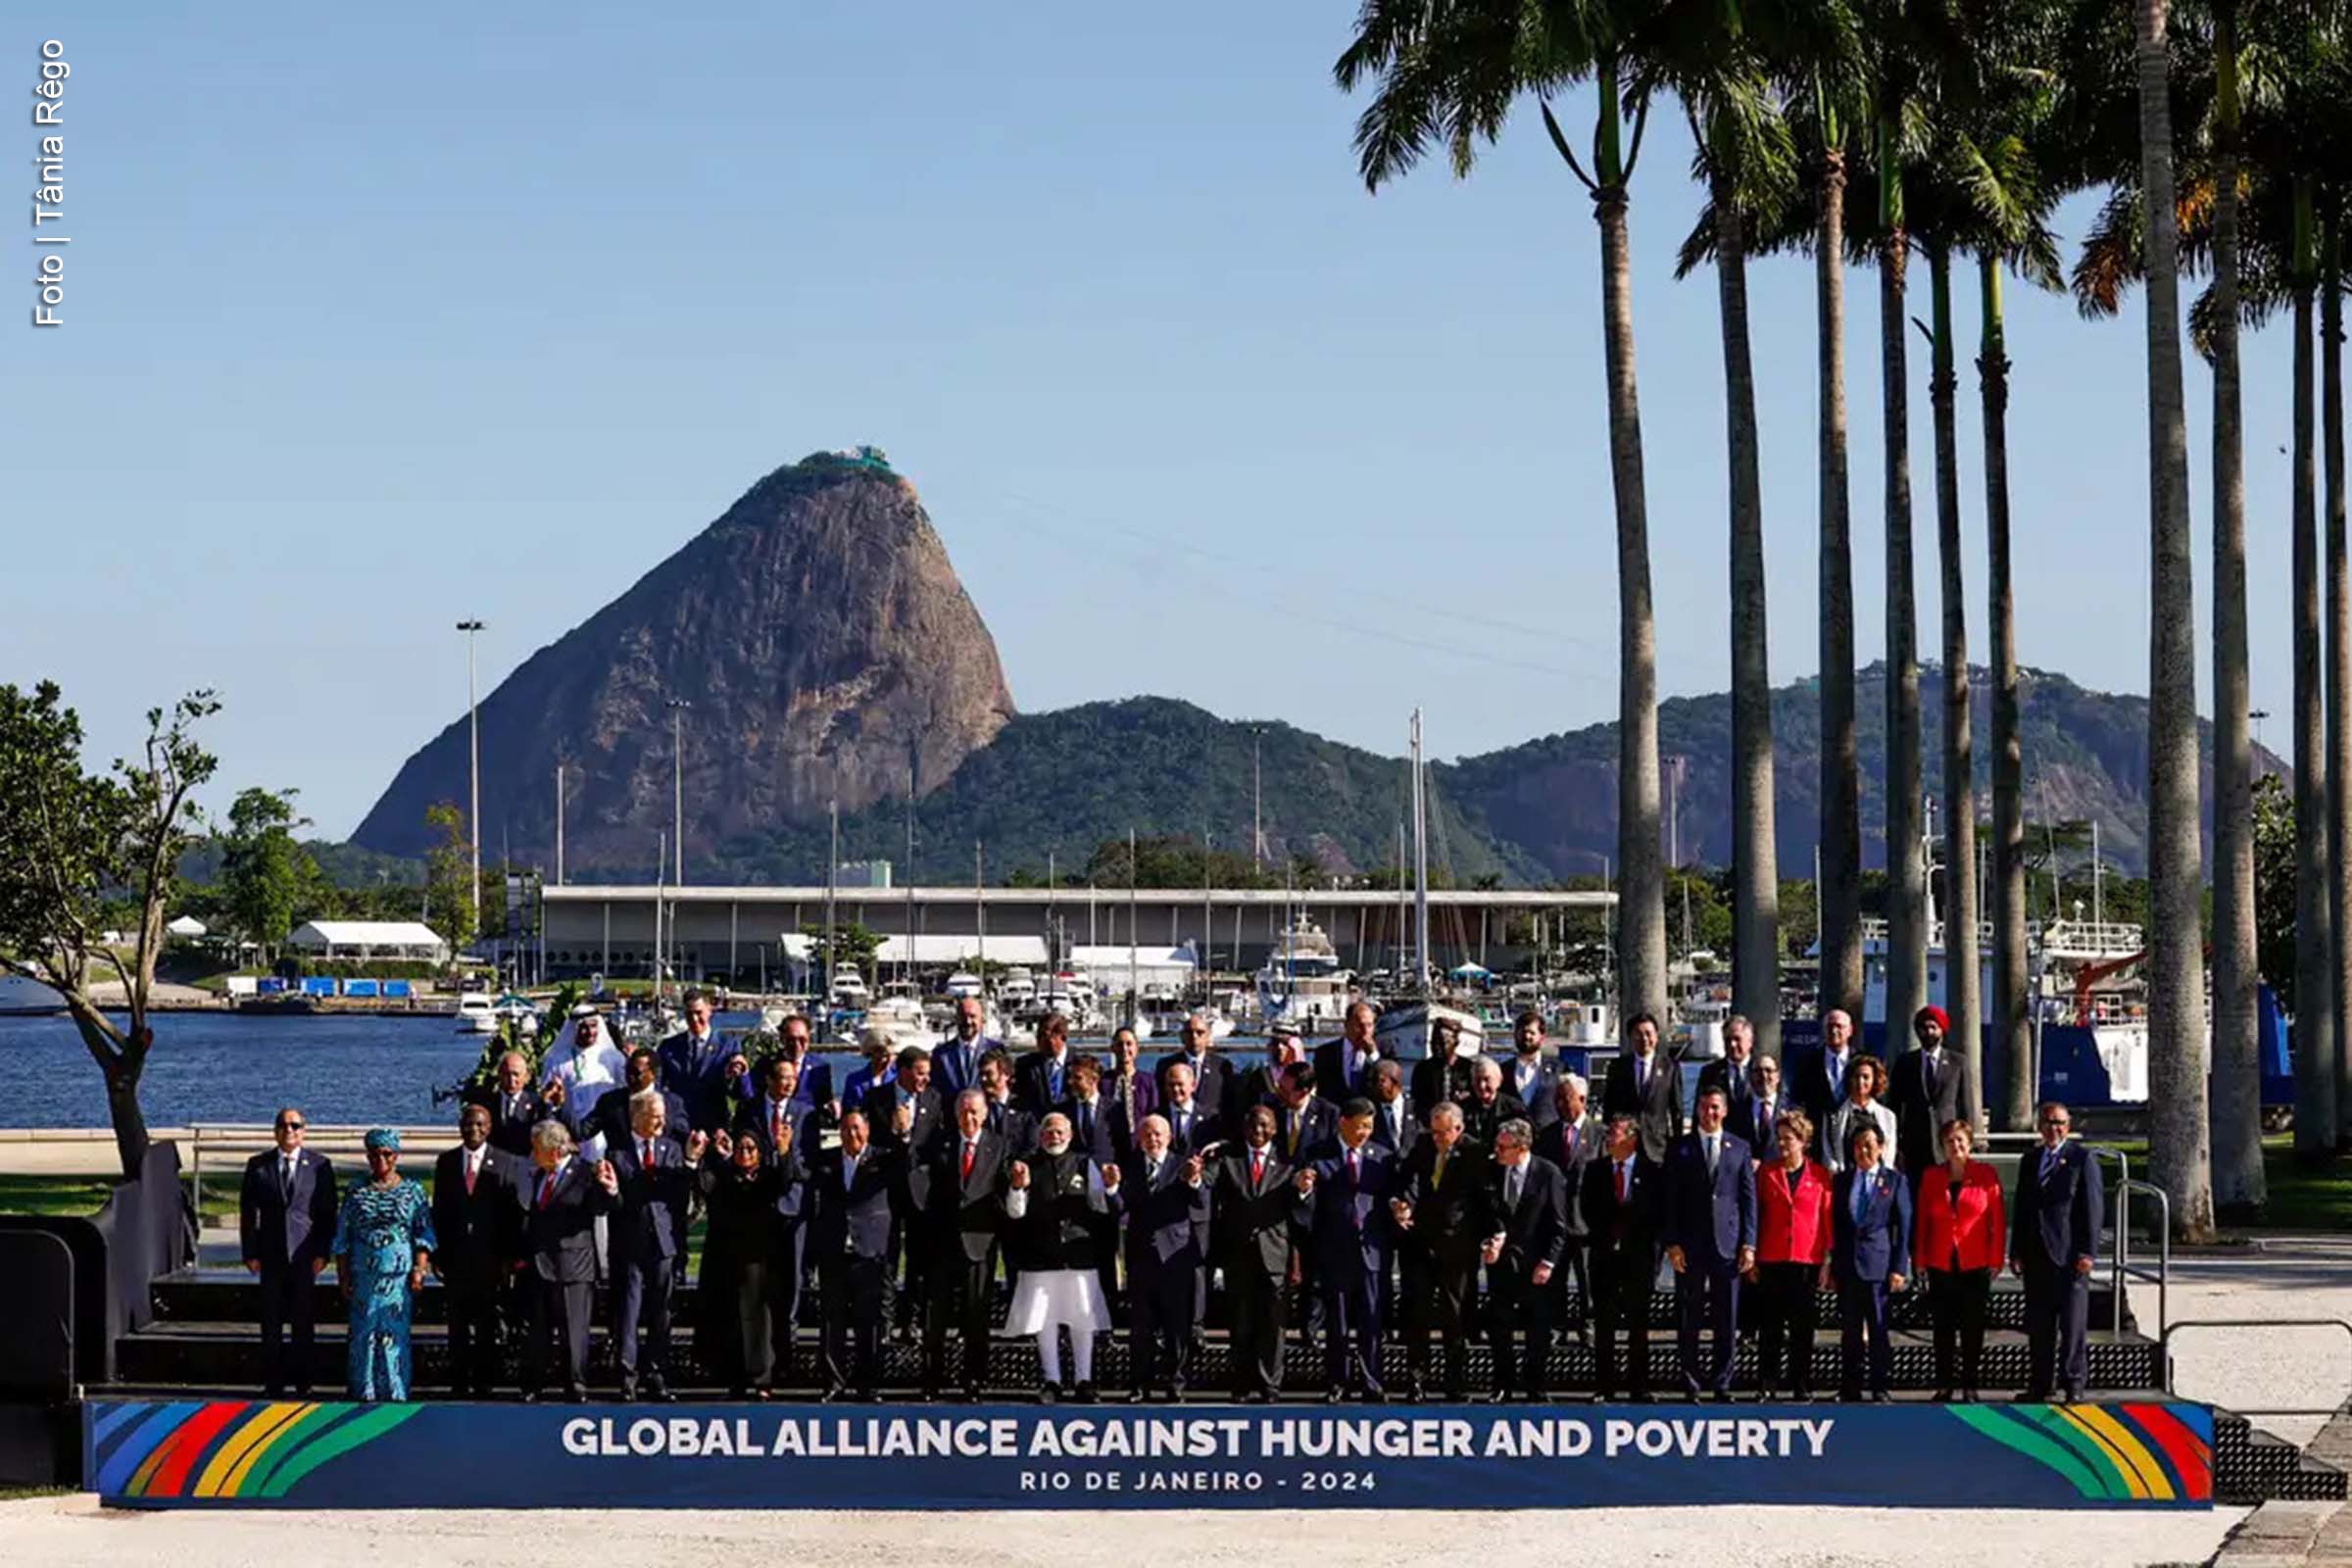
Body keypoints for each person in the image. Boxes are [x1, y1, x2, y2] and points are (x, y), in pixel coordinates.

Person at [1003, 1112, 1114, 1402]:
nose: (1055, 1136)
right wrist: (1017, 1186)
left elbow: (1100, 1205)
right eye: (1049, 1131)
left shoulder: (1084, 1163)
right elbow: (1015, 1212)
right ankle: (1051, 1380)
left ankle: (1083, 1379)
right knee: (1045, 1319)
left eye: (1060, 1131)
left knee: (1082, 1318)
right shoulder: (1027, 1165)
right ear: (1041, 1136)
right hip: (1040, 1255)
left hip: (1078, 1254)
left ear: (1070, 1134)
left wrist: (1110, 1186)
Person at [1294, 1100, 1396, 1402]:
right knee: (1336, 1323)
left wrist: (1396, 1206)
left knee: (1370, 1321)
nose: (1364, 1132)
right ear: (1343, 1122)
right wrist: (1303, 1189)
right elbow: (1306, 1207)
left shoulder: (1383, 1157)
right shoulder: (1317, 1154)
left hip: (1370, 1251)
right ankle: (1337, 1382)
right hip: (1333, 1251)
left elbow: (1391, 1195)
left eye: (1368, 1126)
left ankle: (1371, 1380)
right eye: (1359, 1126)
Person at [913, 1089, 1009, 1399]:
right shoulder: (940, 1144)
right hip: (941, 1241)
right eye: (963, 1112)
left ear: (984, 1114)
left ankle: (973, 1380)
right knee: (935, 1316)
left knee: (976, 1315)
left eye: (974, 1112)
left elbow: (1003, 1191)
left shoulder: (999, 1146)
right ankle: (932, 1379)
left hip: (980, 1241)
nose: (968, 1118)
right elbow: (924, 1184)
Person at [1394, 1101, 1492, 1401]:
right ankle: (1416, 1382)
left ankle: (1454, 1383)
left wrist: (1487, 1237)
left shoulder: (1475, 1153)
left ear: (1458, 1129)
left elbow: (1483, 1201)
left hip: (1457, 1248)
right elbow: (1405, 1178)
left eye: (1442, 1133)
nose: (1436, 1138)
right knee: (1418, 1316)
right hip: (1421, 1242)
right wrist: (1401, 1203)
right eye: (1433, 1131)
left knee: (1456, 1317)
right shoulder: (1423, 1144)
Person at [1663, 1085, 1756, 1402]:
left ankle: (1722, 1382)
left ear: (1725, 1110)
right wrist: (1672, 1243)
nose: (1709, 1113)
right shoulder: (1680, 1148)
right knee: (1688, 1318)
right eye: (1704, 1107)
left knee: (1726, 1319)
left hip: (1727, 1245)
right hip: (1689, 1246)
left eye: (1715, 1107)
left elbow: (1748, 1200)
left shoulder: (1740, 1148)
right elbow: (1670, 1200)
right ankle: (1690, 1381)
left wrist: (1749, 1243)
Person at [329, 1128, 435, 1402]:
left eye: (387, 1154)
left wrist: (419, 1271)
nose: (381, 1159)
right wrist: (342, 1276)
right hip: (364, 1276)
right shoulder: (356, 1191)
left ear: (396, 1155)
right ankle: (363, 1391)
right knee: (364, 1335)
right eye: (375, 1154)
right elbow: (342, 1235)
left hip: (398, 1278)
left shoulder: (413, 1192)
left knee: (394, 1336)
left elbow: (423, 1234)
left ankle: (395, 1392)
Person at [240, 1105, 338, 1397]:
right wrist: (250, 1253)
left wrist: (323, 1253)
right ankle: (273, 1383)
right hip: (270, 1256)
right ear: (275, 1131)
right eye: (283, 1125)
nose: (289, 1131)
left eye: (295, 1125)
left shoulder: (320, 1166)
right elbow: (248, 1212)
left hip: (305, 1256)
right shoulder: (258, 1165)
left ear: (304, 1130)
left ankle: (303, 1383)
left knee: (303, 1321)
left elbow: (327, 1213)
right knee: (271, 1323)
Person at [515, 1119, 613, 1402]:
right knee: (538, 1331)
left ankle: (576, 1383)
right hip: (540, 1266)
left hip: (573, 1267)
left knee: (574, 1331)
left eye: (537, 1149)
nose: (533, 1155)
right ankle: (534, 1384)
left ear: (554, 1150)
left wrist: (610, 1190)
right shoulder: (540, 1177)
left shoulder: (585, 1173)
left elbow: (601, 1206)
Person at [1112, 1112, 1208, 1400]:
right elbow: (1120, 1205)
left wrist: (1194, 1181)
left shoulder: (1182, 1163)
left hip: (1175, 1257)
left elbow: (1201, 1201)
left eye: (1158, 1134)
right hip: (1141, 1257)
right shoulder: (1131, 1165)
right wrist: (1112, 1188)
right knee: (1141, 1327)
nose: (1153, 1139)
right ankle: (1140, 1384)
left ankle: (1175, 1382)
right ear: (1139, 1138)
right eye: (1147, 1134)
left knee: (1176, 1326)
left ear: (1168, 1137)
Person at [611, 1092, 701, 1400]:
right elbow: (615, 1203)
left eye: (663, 1116)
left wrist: (690, 1161)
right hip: (630, 1244)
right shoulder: (617, 1155)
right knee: (629, 1313)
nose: (662, 1122)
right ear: (637, 1117)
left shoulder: (673, 1150)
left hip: (664, 1243)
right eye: (655, 1116)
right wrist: (611, 1190)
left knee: (661, 1312)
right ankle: (627, 1377)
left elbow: (680, 1193)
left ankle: (657, 1374)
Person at [2011, 1100, 2101, 1402]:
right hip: (2036, 1256)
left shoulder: (2080, 1159)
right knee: (2039, 1326)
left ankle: (2073, 1384)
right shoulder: (2030, 1160)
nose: (2054, 1128)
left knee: (2073, 1326)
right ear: (2039, 1126)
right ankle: (2040, 1384)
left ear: (2068, 1126)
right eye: (2048, 1122)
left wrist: (2088, 1251)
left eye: (2060, 1123)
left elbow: (2092, 1208)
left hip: (2069, 1256)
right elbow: (2022, 1208)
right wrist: (2016, 1251)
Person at [697, 1125, 798, 1398]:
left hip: (761, 1259)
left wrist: (784, 1150)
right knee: (733, 1322)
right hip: (729, 1260)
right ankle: (736, 1378)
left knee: (761, 1322)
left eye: (751, 1149)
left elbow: (787, 1179)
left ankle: (763, 1378)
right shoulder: (725, 1176)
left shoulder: (767, 1177)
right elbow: (705, 1185)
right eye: (740, 1149)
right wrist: (712, 1155)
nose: (745, 1153)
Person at [1208, 1105, 1297, 1402]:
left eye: (1264, 1125)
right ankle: (1241, 1384)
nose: (1258, 1131)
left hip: (1274, 1253)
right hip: (1238, 1254)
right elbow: (1209, 1188)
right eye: (1252, 1125)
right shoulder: (1228, 1161)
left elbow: (1297, 1211)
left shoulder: (1288, 1162)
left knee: (1273, 1326)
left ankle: (1270, 1384)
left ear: (1273, 1128)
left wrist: (1304, 1191)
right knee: (1241, 1323)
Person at [808, 1109, 897, 1401]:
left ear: (868, 1130)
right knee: (832, 1321)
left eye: (857, 1129)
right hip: (834, 1250)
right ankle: (834, 1383)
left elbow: (908, 1163)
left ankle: (867, 1385)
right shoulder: (827, 1160)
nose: (852, 1135)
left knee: (868, 1322)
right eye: (846, 1130)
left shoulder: (884, 1160)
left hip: (869, 1251)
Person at [1916, 1116, 2004, 1402]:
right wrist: (1919, 1260)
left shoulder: (1985, 1175)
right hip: (1941, 1263)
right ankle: (1944, 1384)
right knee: (1942, 1328)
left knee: (1972, 1327)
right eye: (1950, 1142)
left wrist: (1995, 1259)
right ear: (1943, 1146)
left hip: (1974, 1263)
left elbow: (1997, 1221)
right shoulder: (1931, 1176)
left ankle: (1970, 1384)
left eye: (1960, 1141)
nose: (1955, 1146)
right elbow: (1922, 1222)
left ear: (1969, 1144)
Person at [431, 1102, 516, 1397]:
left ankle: (484, 1383)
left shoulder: (506, 1162)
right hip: (456, 1259)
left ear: (489, 1127)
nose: (474, 1129)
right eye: (468, 1124)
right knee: (457, 1326)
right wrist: (437, 1253)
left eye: (480, 1124)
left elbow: (511, 1216)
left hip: (490, 1260)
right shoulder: (446, 1162)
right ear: (460, 1126)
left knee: (486, 1325)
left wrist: (507, 1259)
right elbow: (439, 1211)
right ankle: (458, 1382)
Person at [1749, 1110, 1832, 1401]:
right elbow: (1755, 1215)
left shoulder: (1820, 1176)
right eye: (1780, 1138)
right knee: (1770, 1326)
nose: (1783, 1144)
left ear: (1803, 1141)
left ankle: (1801, 1383)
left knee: (1802, 1327)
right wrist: (1753, 1256)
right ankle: (1767, 1384)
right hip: (1772, 1258)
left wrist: (1827, 1261)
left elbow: (1826, 1220)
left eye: (1789, 1139)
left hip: (1805, 1260)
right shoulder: (1767, 1173)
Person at [1484, 1117, 1566, 1401]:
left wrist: (1548, 1262)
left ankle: (1535, 1385)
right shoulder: (1493, 1171)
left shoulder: (1548, 1174)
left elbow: (1558, 1224)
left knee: (1537, 1329)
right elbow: (1486, 1215)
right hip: (1502, 1264)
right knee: (1500, 1328)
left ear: (1521, 1148)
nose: (1497, 1151)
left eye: (1503, 1146)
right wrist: (1489, 1242)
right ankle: (1503, 1384)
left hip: (1535, 1265)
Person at [1829, 1122, 1912, 1401]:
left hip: (1879, 1266)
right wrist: (1833, 1264)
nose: (1863, 1150)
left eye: (1868, 1144)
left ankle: (1880, 1386)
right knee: (1850, 1332)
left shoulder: (1894, 1181)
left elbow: (1904, 1225)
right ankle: (1850, 1387)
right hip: (1848, 1266)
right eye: (1857, 1145)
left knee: (1878, 1329)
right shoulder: (1841, 1181)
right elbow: (1837, 1226)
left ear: (1880, 1148)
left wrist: (1900, 1267)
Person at [1584, 1114, 1660, 1400]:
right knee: (1605, 1324)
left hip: (1637, 1258)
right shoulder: (1595, 1170)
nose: (1608, 1138)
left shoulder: (1652, 1171)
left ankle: (1638, 1385)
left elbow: (1656, 1215)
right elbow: (1588, 1208)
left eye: (1614, 1133)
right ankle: (1605, 1386)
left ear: (1631, 1138)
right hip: (1604, 1258)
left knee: (1638, 1325)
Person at [1535, 1073, 1599, 1338]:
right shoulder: (1548, 1136)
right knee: (1556, 1278)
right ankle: (1558, 1325)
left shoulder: (1599, 1134)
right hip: (1556, 1220)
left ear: (1582, 1100)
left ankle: (1588, 1325)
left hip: (1586, 1221)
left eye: (1566, 1098)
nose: (1560, 1104)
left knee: (1587, 1280)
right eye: (1557, 1098)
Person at [1890, 1005, 1973, 1183]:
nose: (1928, 1032)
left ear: (1941, 1030)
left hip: (1947, 1143)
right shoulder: (1905, 1063)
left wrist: (1967, 1140)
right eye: (1924, 1028)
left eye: (1933, 1027)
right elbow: (1894, 1105)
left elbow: (1966, 1104)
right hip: (1914, 1145)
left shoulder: (1957, 1062)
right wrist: (1896, 1143)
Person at [1602, 1011, 1684, 1162]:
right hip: (1625, 1145)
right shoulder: (1618, 1067)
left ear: (1656, 1036)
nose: (1644, 1039)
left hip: (1658, 1147)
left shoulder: (1670, 1068)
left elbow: (1676, 1110)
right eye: (1638, 1034)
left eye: (1648, 1033)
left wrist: (1676, 1146)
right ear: (1630, 1037)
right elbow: (1609, 1107)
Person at [539, 1007, 628, 1132]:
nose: (590, 1032)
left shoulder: (614, 1058)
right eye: (584, 1027)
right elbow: (547, 1097)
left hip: (606, 1130)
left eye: (593, 1026)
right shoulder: (556, 1060)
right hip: (569, 1129)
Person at [656, 988, 733, 1130]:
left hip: (714, 1127)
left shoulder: (728, 1046)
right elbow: (657, 1086)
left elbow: (740, 1092)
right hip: (677, 1128)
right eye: (689, 1014)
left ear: (709, 1010)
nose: (694, 1019)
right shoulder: (668, 1047)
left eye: (699, 1013)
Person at [586, 1048, 688, 1155]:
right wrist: (565, 1107)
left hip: (659, 1167)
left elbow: (682, 1137)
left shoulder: (672, 1103)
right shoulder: (610, 1102)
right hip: (621, 1169)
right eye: (627, 1070)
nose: (630, 1077)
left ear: (653, 1074)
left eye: (636, 1073)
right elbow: (583, 1132)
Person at [1819, 1055, 1898, 1175]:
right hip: (1843, 1182)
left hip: (1877, 1183)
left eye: (1866, 1077)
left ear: (1874, 1080)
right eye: (1856, 1077)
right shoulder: (1833, 1115)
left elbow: (1889, 1156)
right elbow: (1828, 1154)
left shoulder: (1888, 1117)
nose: (1860, 1081)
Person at [468, 1052, 555, 1158]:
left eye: (516, 1074)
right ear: (499, 1074)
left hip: (525, 1166)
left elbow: (547, 1132)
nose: (511, 1080)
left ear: (526, 1076)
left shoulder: (537, 1104)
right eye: (506, 1074)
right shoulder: (485, 1103)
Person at [1156, 1013, 1236, 1119]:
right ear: (1182, 1036)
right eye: (1189, 1032)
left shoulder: (1222, 1066)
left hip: (1210, 1129)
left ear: (1208, 1036)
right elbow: (1160, 1101)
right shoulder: (1166, 1065)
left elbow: (1228, 1104)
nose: (1194, 1036)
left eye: (1200, 1032)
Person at [1314, 1001, 1391, 1102]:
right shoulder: (1325, 1053)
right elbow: (1322, 1093)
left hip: (1370, 1115)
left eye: (1370, 1025)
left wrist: (1374, 1057)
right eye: (1360, 1025)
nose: (1365, 1031)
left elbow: (1389, 1086)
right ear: (1346, 1025)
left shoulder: (1385, 1050)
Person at [1800, 1007, 1863, 1126]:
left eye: (1839, 1026)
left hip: (1854, 1132)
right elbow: (1798, 1099)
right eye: (1830, 1026)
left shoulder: (1862, 1062)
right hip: (1818, 1134)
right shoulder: (1807, 1062)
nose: (1834, 1031)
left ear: (1850, 1030)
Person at [1409, 1017, 1481, 1120]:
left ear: (1455, 1042)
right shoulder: (1423, 1069)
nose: (1436, 1047)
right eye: (1433, 1042)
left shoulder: (1468, 1068)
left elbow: (1477, 1101)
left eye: (1443, 1043)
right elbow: (1416, 1103)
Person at [1269, 1059, 1338, 1164]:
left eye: (1285, 1091)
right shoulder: (1270, 1109)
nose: (1279, 1094)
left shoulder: (1328, 1114)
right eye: (1279, 1087)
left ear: (1303, 1093)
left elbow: (1333, 1156)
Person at [1504, 1010, 1562, 1130]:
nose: (1527, 1037)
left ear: (1542, 1037)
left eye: (1531, 1033)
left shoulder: (1559, 1069)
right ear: (1515, 1035)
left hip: (1548, 1139)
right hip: (1513, 1140)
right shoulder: (1503, 1071)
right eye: (1523, 1032)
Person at [1102, 1027, 1158, 1150]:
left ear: (1137, 1048)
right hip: (1109, 1144)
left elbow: (1153, 1114)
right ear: (1112, 1048)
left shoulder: (1148, 1081)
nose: (1124, 1048)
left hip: (1139, 1146)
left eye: (1129, 1044)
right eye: (1119, 1044)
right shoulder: (1103, 1081)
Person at [1013, 1012, 1078, 1118]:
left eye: (1045, 1036)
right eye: (1038, 1036)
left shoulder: (1079, 1064)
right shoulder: (1025, 1065)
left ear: (1063, 1037)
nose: (1039, 1041)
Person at [932, 995, 997, 1099]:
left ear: (982, 1019)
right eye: (963, 1016)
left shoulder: (996, 1050)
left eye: (972, 1016)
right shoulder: (941, 1055)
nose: (968, 1021)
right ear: (956, 1018)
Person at [977, 1048, 1038, 1153]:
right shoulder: (976, 1108)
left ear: (1006, 1075)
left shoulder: (1024, 1109)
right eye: (981, 1074)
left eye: (988, 1073)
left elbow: (1032, 1145)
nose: (983, 1079)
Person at [773, 1011, 835, 1110]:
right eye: (791, 1040)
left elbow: (825, 1101)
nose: (797, 1045)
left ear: (809, 1038)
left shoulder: (820, 1067)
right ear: (782, 1038)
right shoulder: (767, 1065)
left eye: (802, 1039)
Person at [1458, 1056, 1526, 1148]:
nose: (1482, 1086)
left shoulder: (1514, 1108)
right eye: (1477, 1080)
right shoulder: (1463, 1107)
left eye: (1487, 1079)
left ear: (1499, 1080)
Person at [1157, 1059, 1220, 1155]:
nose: (1175, 1089)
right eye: (1171, 1085)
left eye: (1180, 1084)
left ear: (1193, 1085)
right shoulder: (1157, 1117)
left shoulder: (1210, 1117)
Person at [1238, 1020, 1305, 1108]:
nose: (1279, 1048)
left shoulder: (1307, 1077)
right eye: (1275, 1043)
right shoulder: (1260, 1077)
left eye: (1285, 1043)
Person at [1731, 1054, 1788, 1154]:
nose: (1763, 1076)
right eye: (1757, 1071)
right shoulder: (1736, 1110)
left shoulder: (1792, 1109)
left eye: (1768, 1070)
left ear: (1778, 1076)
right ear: (1750, 1076)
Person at [1365, 1058, 1419, 1158]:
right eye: (1371, 1081)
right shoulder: (1368, 1110)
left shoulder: (1416, 1108)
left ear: (1395, 1082)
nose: (1372, 1085)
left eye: (1379, 1080)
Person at [841, 1026, 898, 1105]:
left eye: (890, 1055)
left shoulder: (899, 1078)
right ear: (870, 1053)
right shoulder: (854, 1080)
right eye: (882, 1055)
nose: (886, 1060)